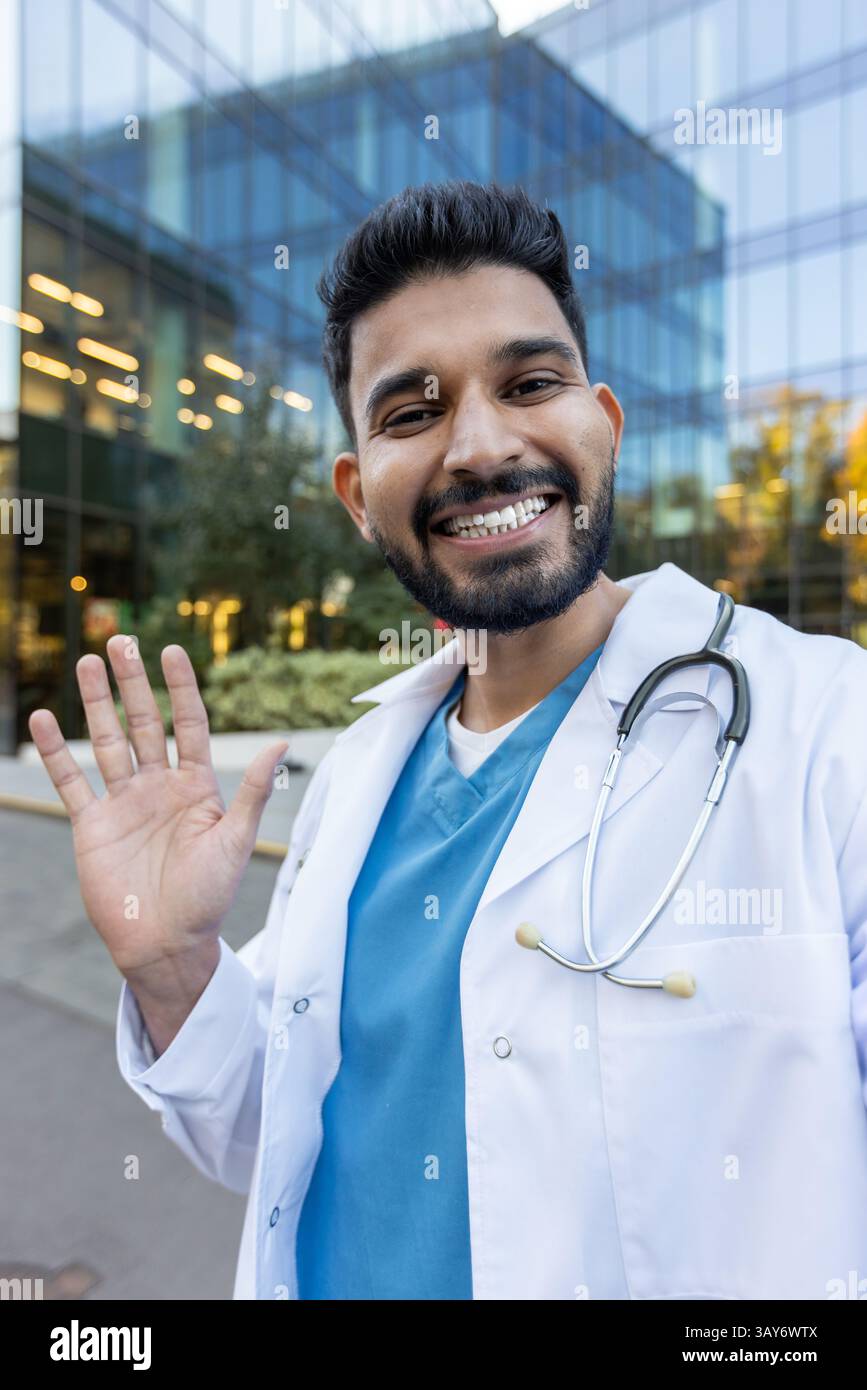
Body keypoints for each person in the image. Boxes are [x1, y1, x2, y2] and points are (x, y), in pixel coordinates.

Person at [29, 182, 867, 1301]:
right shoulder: (360, 781)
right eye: (411, 412)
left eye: (530, 384)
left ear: (603, 426)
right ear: (357, 498)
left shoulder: (826, 728)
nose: (480, 446)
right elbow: (265, 1137)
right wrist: (176, 969)